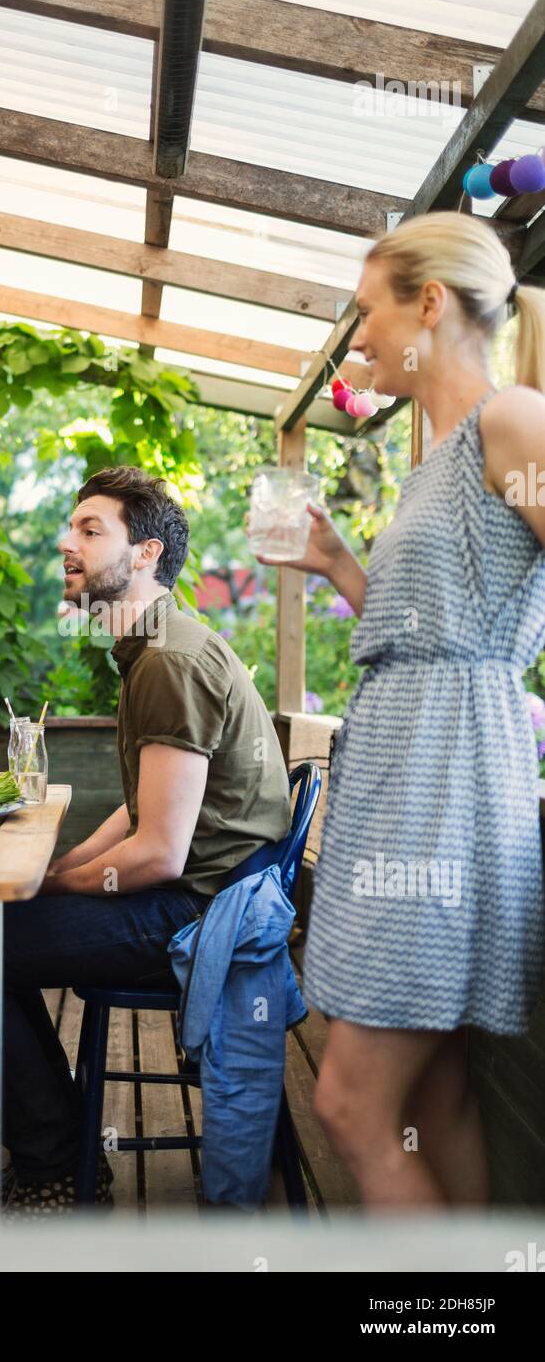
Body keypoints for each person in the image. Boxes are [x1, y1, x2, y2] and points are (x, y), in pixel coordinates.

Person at [257, 212, 545, 1207]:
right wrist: (335, 559)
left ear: (428, 304)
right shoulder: (434, 459)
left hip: (447, 786)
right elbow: (425, 625)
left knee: (348, 1103)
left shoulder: (513, 420)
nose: (353, 339)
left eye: (362, 309)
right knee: (439, 1089)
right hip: (403, 780)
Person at [0, 466, 290, 1214]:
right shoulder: (153, 648)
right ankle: (59, 1146)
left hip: (199, 911)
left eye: (92, 530)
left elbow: (158, 855)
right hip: (205, 890)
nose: (67, 543)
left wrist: (50, 886)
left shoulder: (169, 662)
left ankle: (57, 1164)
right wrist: (60, 868)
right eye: (72, 527)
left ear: (145, 554)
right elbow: (138, 813)